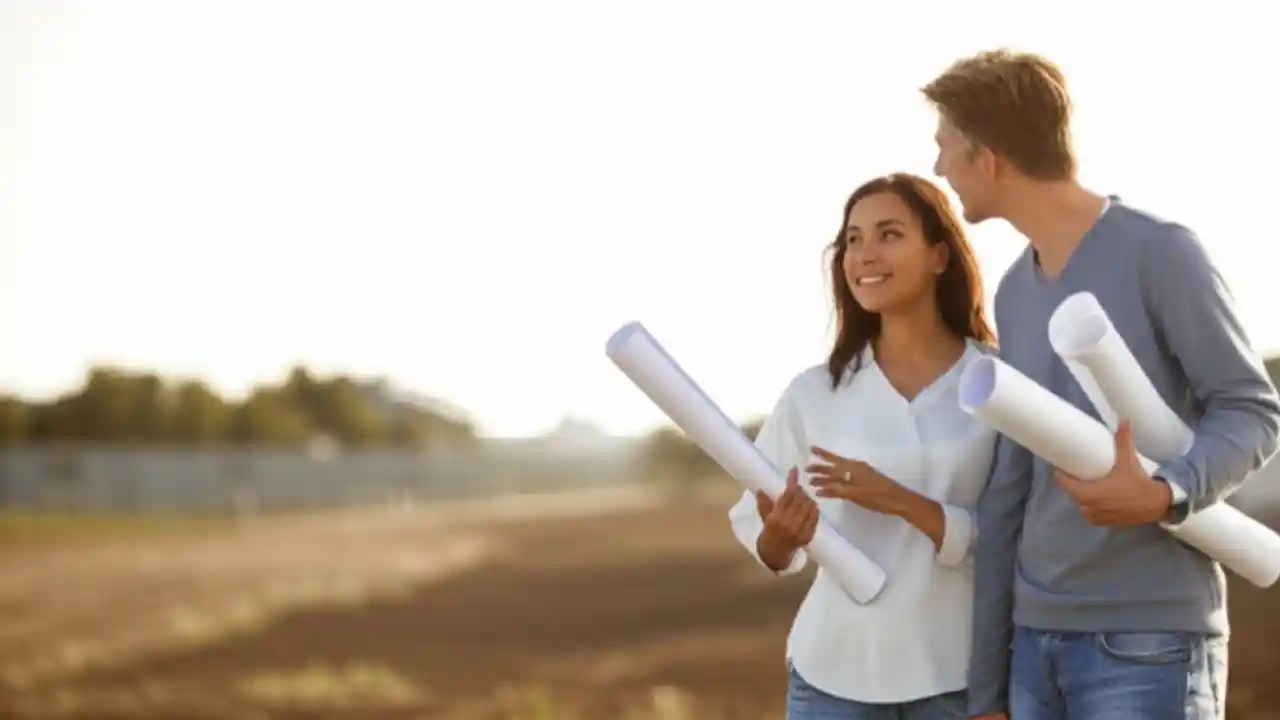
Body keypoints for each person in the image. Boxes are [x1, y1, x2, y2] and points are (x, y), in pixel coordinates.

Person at [921, 49, 1280, 720]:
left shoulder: (1162, 253)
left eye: (945, 148)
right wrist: (989, 684)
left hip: (1149, 642)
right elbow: (1011, 486)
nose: (940, 168)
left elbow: (1252, 411)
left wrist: (1164, 491)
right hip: (1035, 645)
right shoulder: (1015, 291)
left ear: (989, 157)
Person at [728, 172, 998, 719]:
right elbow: (766, 541)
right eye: (853, 238)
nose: (863, 254)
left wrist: (899, 500)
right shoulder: (815, 392)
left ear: (940, 255)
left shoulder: (998, 385)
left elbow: (1019, 536)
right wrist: (781, 537)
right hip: (832, 677)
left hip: (957, 679)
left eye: (889, 234)